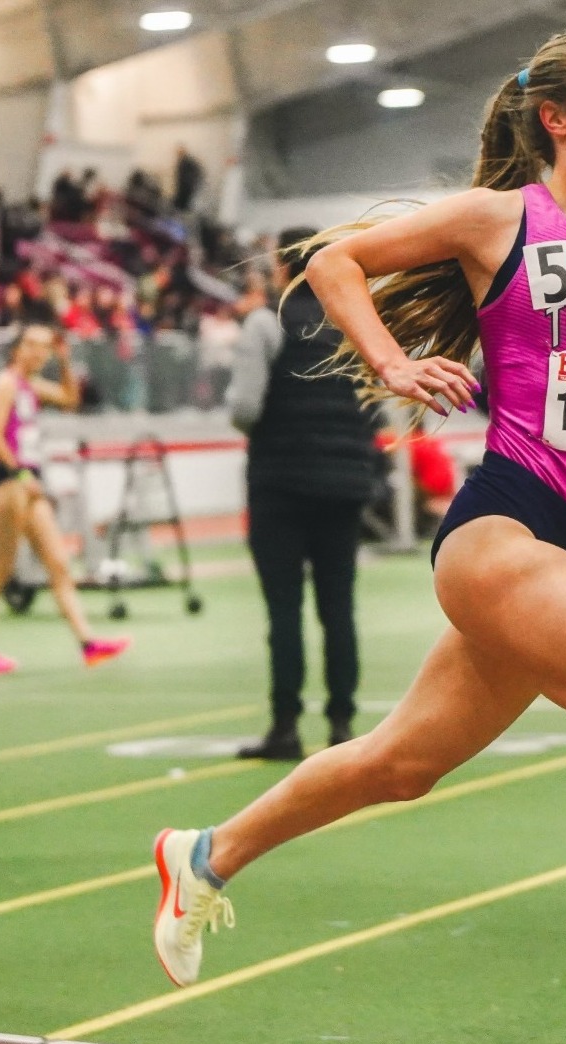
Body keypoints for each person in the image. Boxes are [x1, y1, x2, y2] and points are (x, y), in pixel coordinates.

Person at [149, 30, 566, 1044]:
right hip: (503, 533)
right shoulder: (498, 220)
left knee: (402, 763)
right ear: (559, 120)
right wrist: (393, 361)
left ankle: (204, 853)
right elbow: (328, 262)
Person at [226, 227, 380, 759]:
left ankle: (285, 726)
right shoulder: (354, 325)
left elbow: (243, 409)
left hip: (280, 483)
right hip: (345, 484)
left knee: (284, 610)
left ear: (283, 268)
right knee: (340, 607)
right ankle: (342, 725)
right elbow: (376, 402)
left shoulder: (266, 323)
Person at [0, 324, 129, 674]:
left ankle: (88, 643)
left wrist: (66, 362)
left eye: (45, 348)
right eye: (33, 346)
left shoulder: (31, 385)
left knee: (58, 563)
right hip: (10, 482)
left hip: (30, 484)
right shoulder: (5, 384)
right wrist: (20, 474)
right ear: (19, 349)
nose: (40, 353)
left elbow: (71, 400)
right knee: (1, 568)